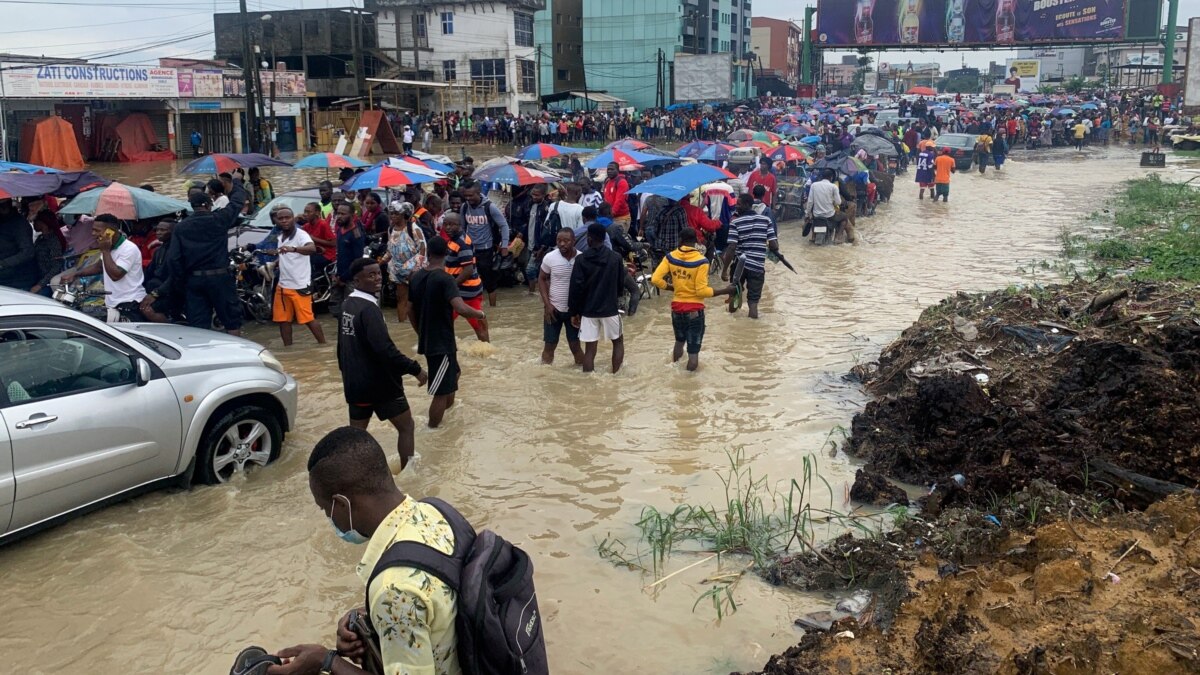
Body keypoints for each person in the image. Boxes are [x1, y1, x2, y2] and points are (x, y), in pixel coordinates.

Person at [270, 426, 462, 674]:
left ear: (341, 503)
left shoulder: (393, 588)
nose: (328, 517)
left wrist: (326, 661)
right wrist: (366, 616)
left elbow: (402, 596)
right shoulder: (435, 512)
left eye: (325, 509)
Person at [338, 258, 428, 470]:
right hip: (380, 384)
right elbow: (386, 350)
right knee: (406, 427)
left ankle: (355, 475)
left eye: (379, 273)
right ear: (357, 280)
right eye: (371, 275)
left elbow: (342, 347)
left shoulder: (347, 304)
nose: (377, 278)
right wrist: (416, 369)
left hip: (355, 384)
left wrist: (347, 375)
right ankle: (409, 475)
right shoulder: (369, 310)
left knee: (357, 436)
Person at [408, 237, 486, 428]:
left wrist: (420, 331)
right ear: (447, 254)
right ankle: (433, 429)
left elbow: (409, 309)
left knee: (456, 373)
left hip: (431, 340)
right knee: (440, 391)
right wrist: (480, 313)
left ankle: (448, 415)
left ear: (428, 253)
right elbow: (460, 308)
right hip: (440, 342)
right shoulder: (445, 279)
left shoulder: (416, 276)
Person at [149, 185, 246, 333]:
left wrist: (182, 282)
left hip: (194, 281)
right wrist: (235, 183)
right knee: (232, 322)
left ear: (192, 206)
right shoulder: (220, 219)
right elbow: (237, 202)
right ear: (209, 205)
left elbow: (174, 259)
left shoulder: (181, 227)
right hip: (220, 279)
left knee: (199, 327)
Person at [650, 227, 733, 371]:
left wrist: (671, 287)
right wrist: (724, 290)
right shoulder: (702, 261)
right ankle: (688, 386)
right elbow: (701, 291)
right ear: (696, 242)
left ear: (680, 241)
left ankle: (675, 374)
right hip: (694, 311)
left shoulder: (670, 257)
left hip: (676, 308)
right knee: (693, 355)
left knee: (679, 342)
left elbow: (655, 279)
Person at [62, 214, 146, 323]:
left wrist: (105, 250)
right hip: (112, 302)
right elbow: (99, 267)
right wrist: (76, 274)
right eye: (93, 230)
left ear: (111, 231)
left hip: (129, 302)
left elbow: (115, 275)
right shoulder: (108, 246)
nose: (93, 234)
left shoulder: (129, 249)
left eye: (97, 231)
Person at [265, 205, 326, 347]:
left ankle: (323, 345)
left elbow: (311, 248)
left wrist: (294, 249)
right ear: (276, 221)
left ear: (293, 219)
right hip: (283, 285)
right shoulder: (280, 236)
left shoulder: (301, 235)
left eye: (287, 218)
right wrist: (274, 263)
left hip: (299, 285)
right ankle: (288, 348)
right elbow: (284, 256)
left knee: (308, 319)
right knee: (283, 320)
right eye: (281, 219)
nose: (284, 221)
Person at [568, 223, 625, 374]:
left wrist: (574, 312)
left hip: (588, 311)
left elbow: (575, 288)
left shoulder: (581, 260)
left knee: (590, 349)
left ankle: (588, 383)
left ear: (590, 239)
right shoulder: (616, 258)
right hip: (610, 309)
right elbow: (621, 284)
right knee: (618, 342)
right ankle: (616, 377)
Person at [721, 193, 777, 320]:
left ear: (747, 205)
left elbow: (731, 248)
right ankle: (752, 326)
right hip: (757, 266)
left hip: (739, 267)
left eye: (738, 204)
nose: (736, 207)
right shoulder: (766, 221)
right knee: (753, 302)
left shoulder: (735, 222)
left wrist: (724, 270)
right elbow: (774, 245)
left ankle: (731, 325)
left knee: (734, 295)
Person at [440, 213, 489, 342]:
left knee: (443, 323)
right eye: (446, 224)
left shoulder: (462, 243)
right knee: (444, 323)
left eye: (452, 224)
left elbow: (468, 270)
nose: (448, 227)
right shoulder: (453, 240)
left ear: (460, 225)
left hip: (466, 291)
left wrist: (451, 286)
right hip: (463, 290)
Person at [459, 183, 510, 307]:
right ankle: (471, 307)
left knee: (489, 282)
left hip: (486, 250)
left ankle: (493, 308)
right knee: (468, 280)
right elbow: (462, 227)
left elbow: (504, 225)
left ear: (478, 193)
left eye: (471, 195)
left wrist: (504, 245)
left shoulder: (489, 207)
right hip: (470, 250)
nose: (468, 198)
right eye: (466, 196)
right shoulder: (464, 207)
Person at [539, 228, 583, 366]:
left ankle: (583, 377)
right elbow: (542, 279)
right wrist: (547, 305)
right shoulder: (550, 257)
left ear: (574, 241)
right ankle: (544, 376)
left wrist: (580, 311)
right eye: (559, 240)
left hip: (573, 311)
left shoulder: (581, 258)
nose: (562, 244)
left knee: (575, 346)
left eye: (566, 240)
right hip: (553, 309)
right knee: (549, 346)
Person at [384, 200, 427, 328]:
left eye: (396, 214)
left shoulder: (413, 228)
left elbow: (423, 249)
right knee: (401, 298)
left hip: (415, 270)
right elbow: (390, 249)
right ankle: (402, 325)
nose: (393, 216)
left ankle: (420, 323)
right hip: (397, 269)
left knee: (417, 299)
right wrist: (381, 261)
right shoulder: (391, 229)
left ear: (404, 215)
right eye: (391, 214)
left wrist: (414, 269)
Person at [140, 221, 181, 323]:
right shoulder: (159, 250)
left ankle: (171, 325)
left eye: (163, 230)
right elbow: (149, 273)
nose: (158, 232)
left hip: (169, 292)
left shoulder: (177, 251)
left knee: (147, 310)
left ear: (173, 232)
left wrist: (155, 294)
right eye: (157, 230)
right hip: (155, 289)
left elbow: (174, 277)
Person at [29, 209, 64, 296]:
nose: (33, 224)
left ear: (42, 223)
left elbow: (56, 267)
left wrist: (40, 285)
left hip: (47, 282)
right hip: (37, 277)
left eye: (35, 221)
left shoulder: (53, 241)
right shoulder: (40, 238)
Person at [602, 162, 631, 231]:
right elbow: (605, 199)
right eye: (608, 169)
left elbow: (619, 201)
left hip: (620, 218)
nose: (609, 171)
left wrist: (611, 214)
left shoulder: (622, 182)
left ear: (617, 170)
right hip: (609, 218)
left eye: (612, 169)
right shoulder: (607, 181)